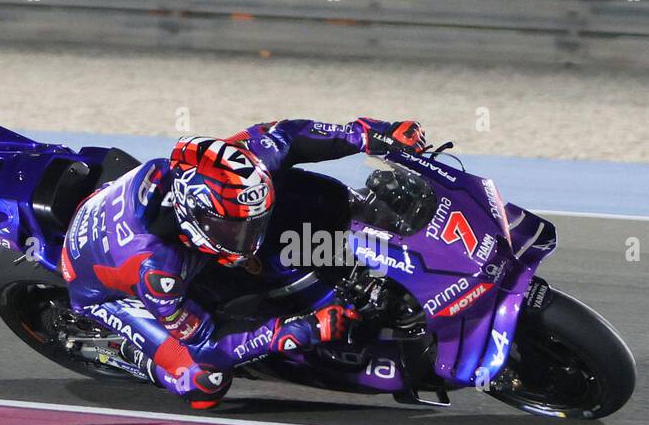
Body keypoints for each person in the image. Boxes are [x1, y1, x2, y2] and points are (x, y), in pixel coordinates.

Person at [60, 118, 429, 408]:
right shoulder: (158, 273)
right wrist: (303, 330)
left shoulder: (240, 164)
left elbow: (291, 135)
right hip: (99, 286)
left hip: (122, 204)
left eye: (251, 223)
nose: (249, 238)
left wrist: (374, 134)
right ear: (195, 219)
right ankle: (134, 356)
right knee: (204, 382)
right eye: (235, 229)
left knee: (293, 191)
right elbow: (210, 341)